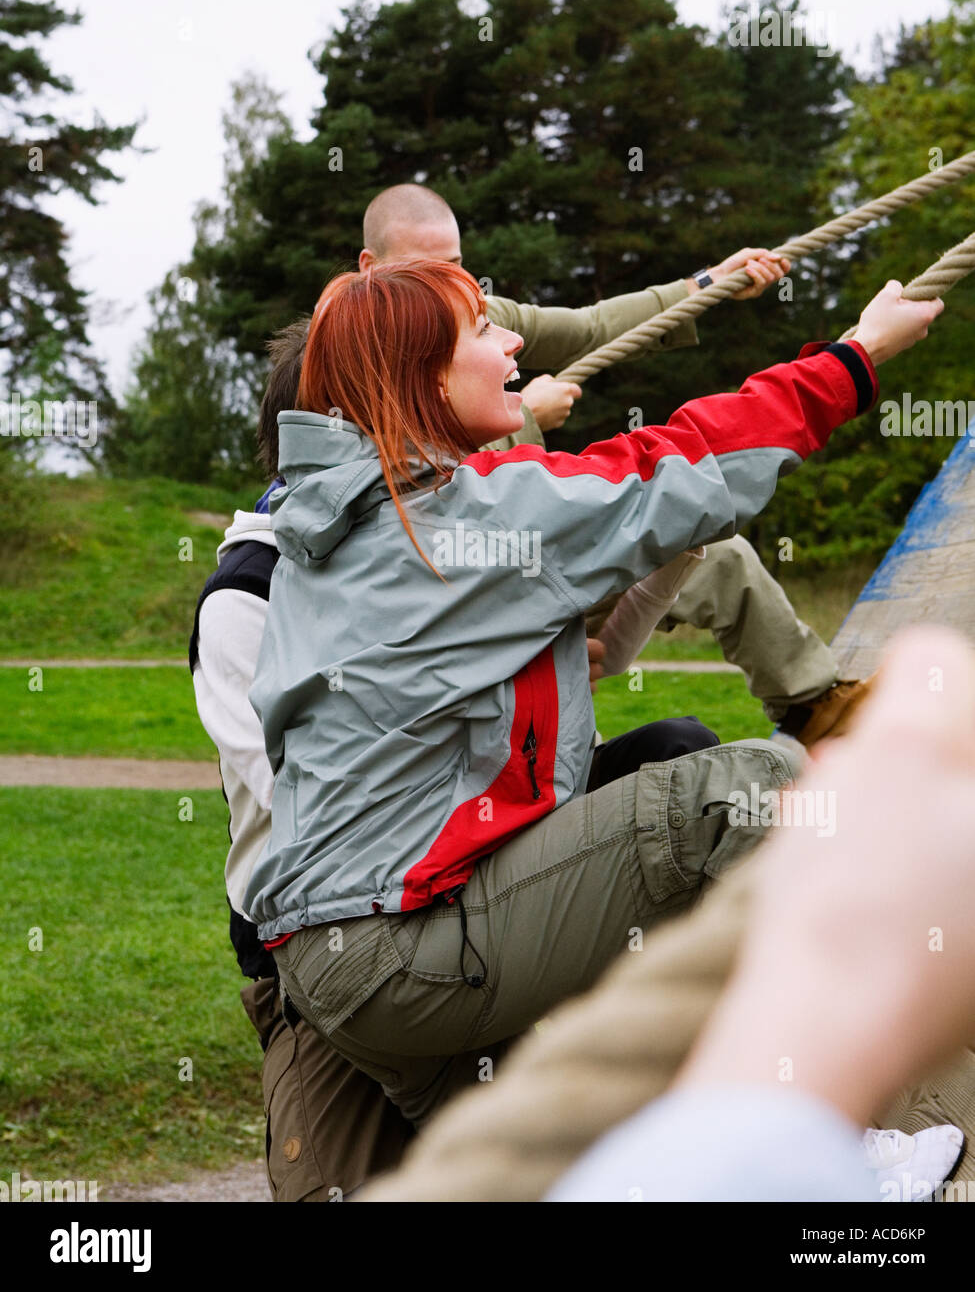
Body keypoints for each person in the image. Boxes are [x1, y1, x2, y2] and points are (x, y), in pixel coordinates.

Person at [243, 262, 941, 1129]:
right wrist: (857, 355)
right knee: (746, 788)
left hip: (352, 963)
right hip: (403, 951)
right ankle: (866, 1090)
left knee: (583, 1147)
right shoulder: (459, 524)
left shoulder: (345, 525)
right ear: (424, 378)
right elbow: (681, 461)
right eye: (481, 331)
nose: (512, 342)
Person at [358, 183, 869, 743]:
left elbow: (590, 328)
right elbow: (452, 501)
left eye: (455, 266)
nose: (448, 287)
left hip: (541, 570)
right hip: (481, 609)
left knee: (718, 556)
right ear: (370, 267)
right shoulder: (354, 360)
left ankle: (815, 708)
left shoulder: (480, 314)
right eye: (421, 269)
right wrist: (522, 413)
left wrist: (705, 285)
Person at [546, 626, 971, 1202]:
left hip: (533, 788)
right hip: (441, 875)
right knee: (749, 777)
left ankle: (769, 1099)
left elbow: (607, 645)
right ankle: (801, 1114)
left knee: (683, 744)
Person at [190, 324, 414, 1201]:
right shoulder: (246, 596)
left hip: (443, 901)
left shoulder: (426, 544)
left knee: (674, 752)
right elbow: (304, 809)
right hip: (311, 945)